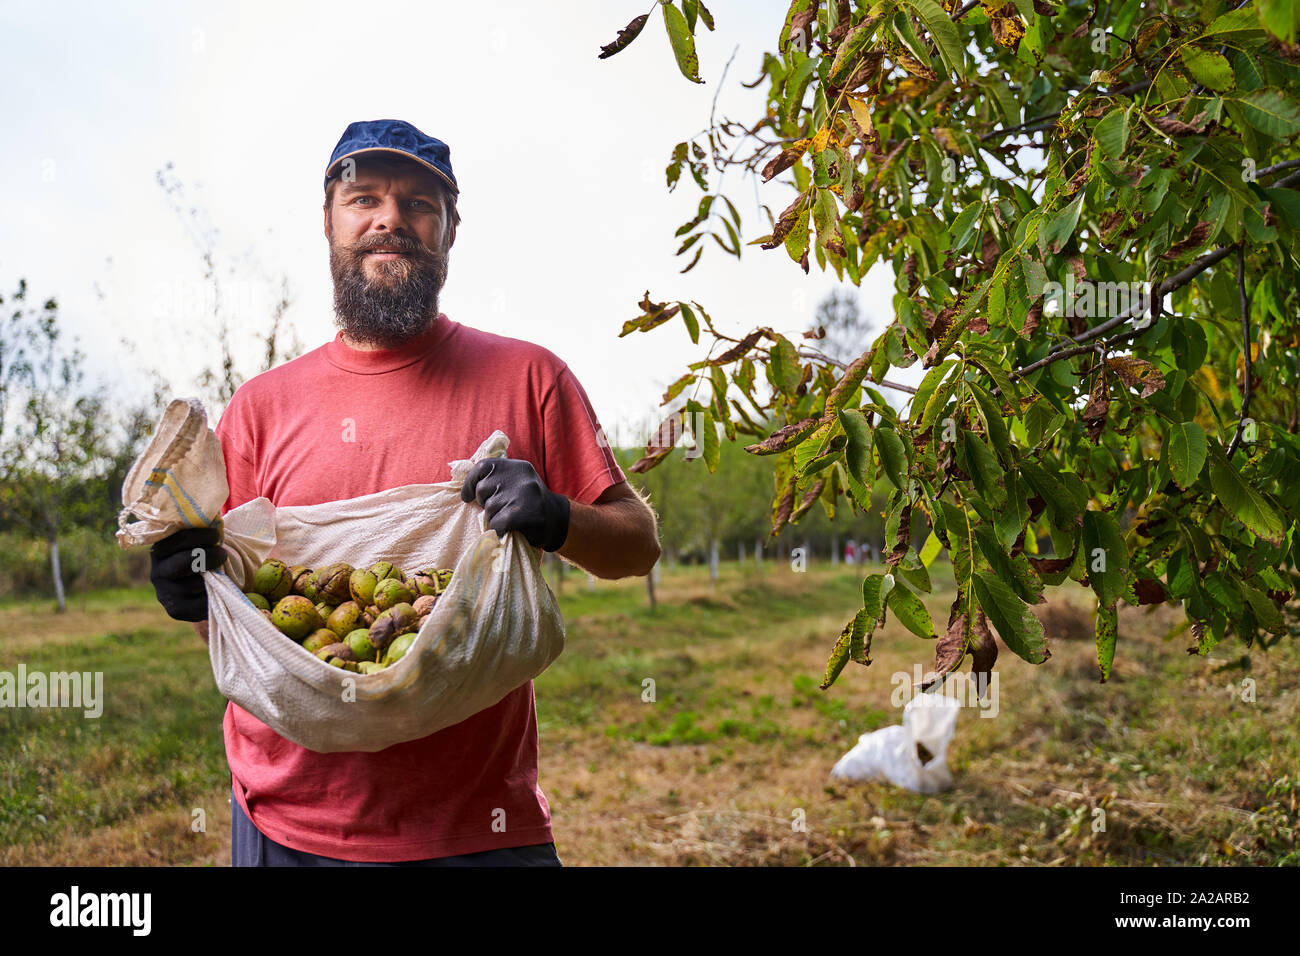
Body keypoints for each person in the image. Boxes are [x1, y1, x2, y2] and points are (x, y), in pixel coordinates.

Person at [148, 119, 661, 866]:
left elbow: (637, 547)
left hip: (478, 829)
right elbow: (247, 631)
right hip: (285, 825)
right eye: (364, 198)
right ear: (328, 221)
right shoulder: (259, 406)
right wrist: (196, 595)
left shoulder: (529, 377)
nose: (392, 218)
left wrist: (555, 516)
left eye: (421, 203)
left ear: (451, 230)